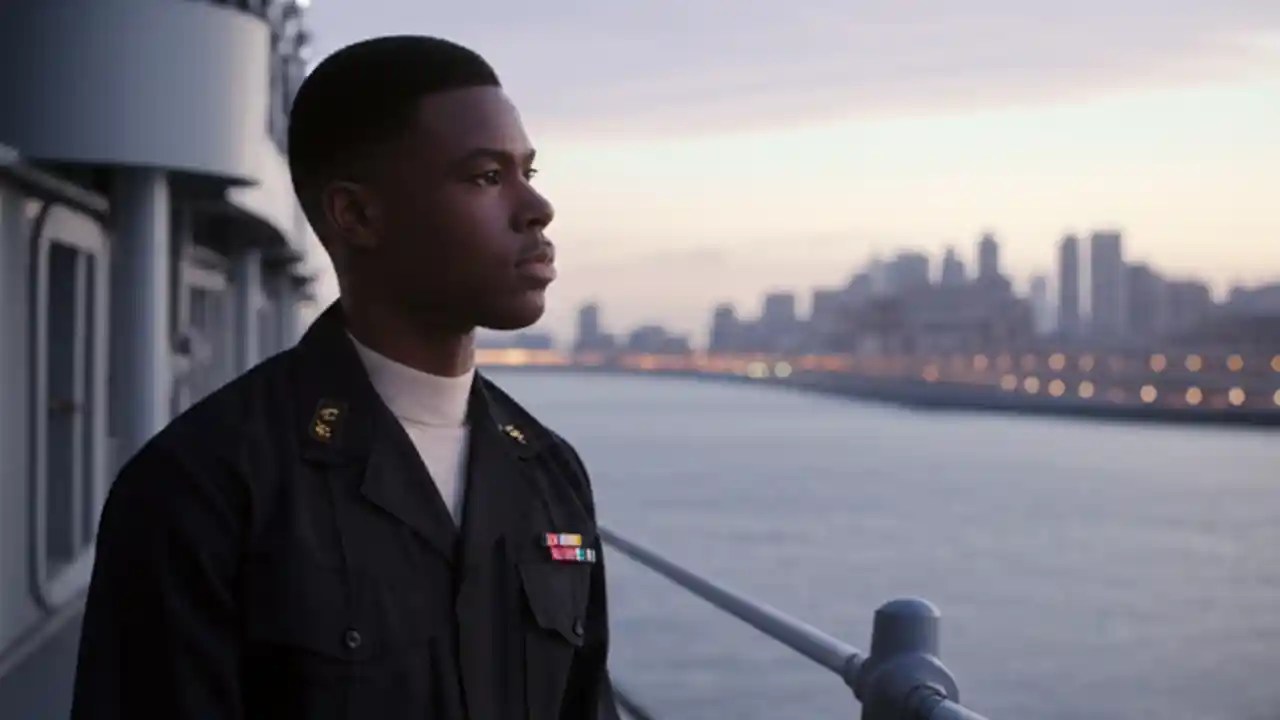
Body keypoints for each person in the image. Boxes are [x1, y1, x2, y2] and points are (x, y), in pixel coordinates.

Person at [71, 35, 619, 720]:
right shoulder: (203, 486)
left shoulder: (549, 472)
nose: (536, 208)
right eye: (485, 176)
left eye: (528, 171)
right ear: (356, 215)